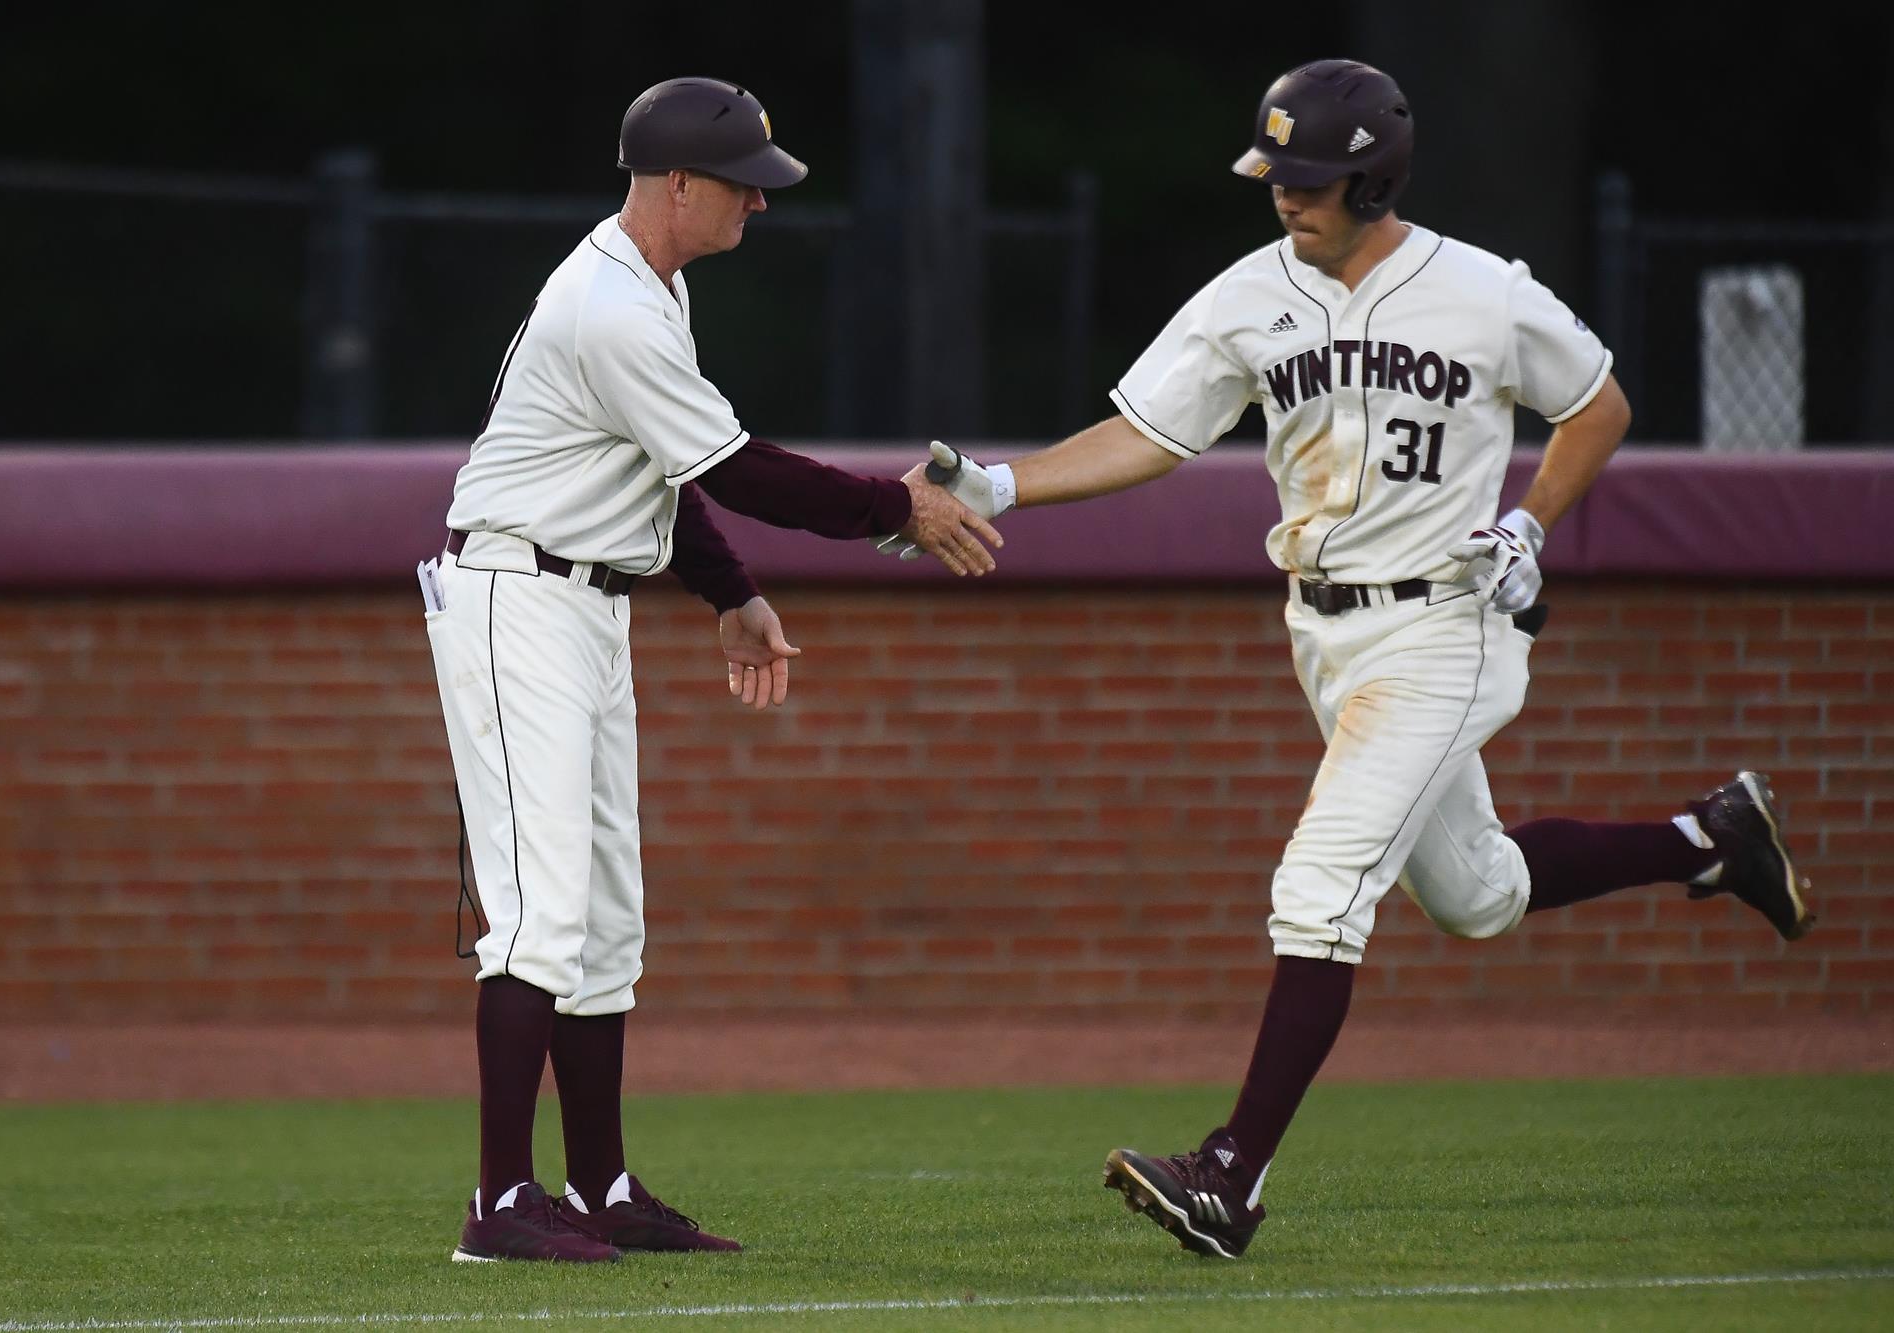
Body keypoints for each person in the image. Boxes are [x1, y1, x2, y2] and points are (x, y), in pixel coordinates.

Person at [905, 58, 1814, 1259]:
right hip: (1325, 632)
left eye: (1308, 178)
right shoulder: (1247, 294)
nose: (1283, 193)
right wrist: (1001, 485)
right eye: (1273, 173)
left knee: (1318, 886)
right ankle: (1711, 838)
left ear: (1374, 181)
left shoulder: (1481, 291)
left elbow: (1594, 404)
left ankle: (1229, 1176)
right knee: (1476, 894)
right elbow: (1149, 432)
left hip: (1445, 621)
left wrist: (1527, 523)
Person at [421, 76, 1002, 1265]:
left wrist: (730, 592)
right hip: (515, 599)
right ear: (677, 184)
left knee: (606, 920)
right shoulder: (610, 305)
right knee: (539, 915)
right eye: (744, 184)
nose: (760, 203)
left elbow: (662, 477)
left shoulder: (655, 289)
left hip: (581, 604)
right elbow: (737, 470)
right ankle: (497, 1204)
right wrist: (896, 506)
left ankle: (598, 1189)